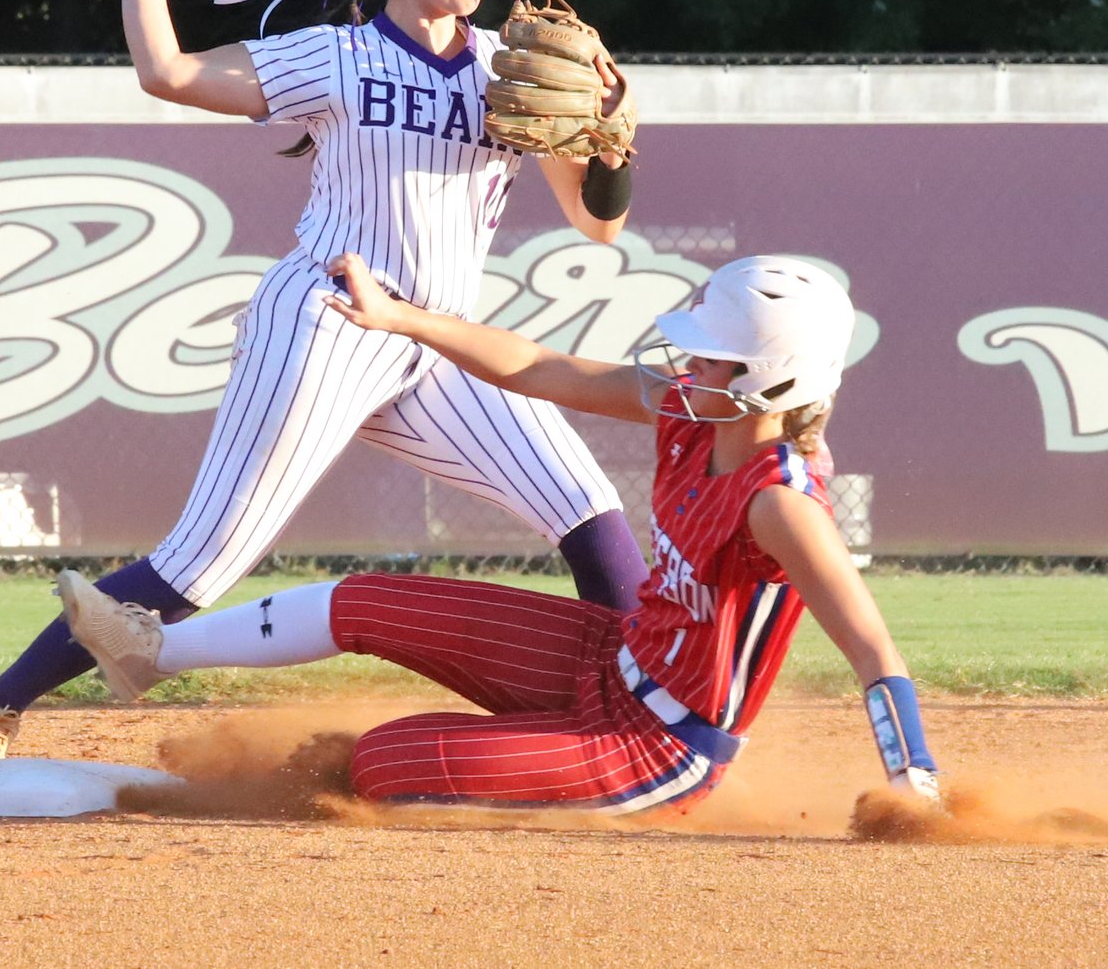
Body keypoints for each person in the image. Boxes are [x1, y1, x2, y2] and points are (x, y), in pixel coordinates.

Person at [0, 0, 649, 763]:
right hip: (327, 324)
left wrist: (612, 135)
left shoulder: (506, 79)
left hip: (433, 341)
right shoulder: (338, 56)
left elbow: (599, 222)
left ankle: (643, 715)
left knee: (590, 513)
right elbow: (169, 74)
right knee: (202, 564)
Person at [56, 251, 942, 813]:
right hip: (609, 657)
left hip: (657, 744)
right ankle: (150, 653)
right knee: (366, 602)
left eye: (713, 355)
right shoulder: (687, 411)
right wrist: (401, 319)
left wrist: (915, 788)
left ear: (769, 380)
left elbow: (872, 646)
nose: (688, 361)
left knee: (379, 762)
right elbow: (538, 368)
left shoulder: (780, 502)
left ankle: (587, 787)